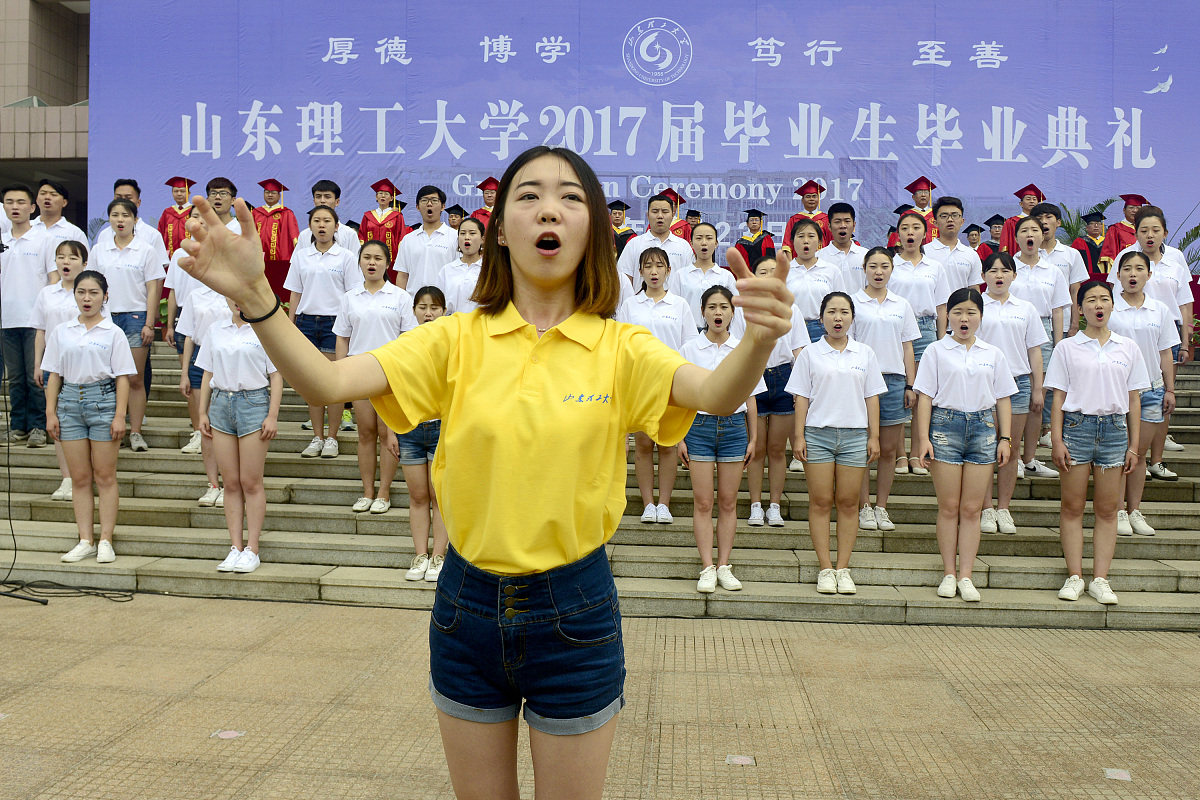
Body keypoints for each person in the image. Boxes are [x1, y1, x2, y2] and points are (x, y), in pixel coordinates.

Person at [176, 143, 794, 799]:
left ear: (593, 232)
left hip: (574, 610)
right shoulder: (456, 339)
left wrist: (758, 339)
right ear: (500, 228)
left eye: (570, 197)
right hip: (465, 607)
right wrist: (257, 298)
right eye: (528, 195)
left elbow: (717, 395)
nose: (548, 208)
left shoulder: (622, 348)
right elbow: (328, 381)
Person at [1048, 280, 1150, 606]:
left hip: (1114, 433)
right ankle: (1075, 576)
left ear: (1111, 305)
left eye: (1104, 299)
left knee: (1108, 510)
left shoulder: (1127, 347)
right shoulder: (1067, 348)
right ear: (1080, 309)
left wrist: (1134, 446)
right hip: (1077, 429)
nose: (1098, 305)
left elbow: (1134, 400)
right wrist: (1057, 440)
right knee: (1072, 506)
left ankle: (1100, 579)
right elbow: (1058, 398)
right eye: (1090, 300)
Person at [913, 287, 1016, 602]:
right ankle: (948, 573)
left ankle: (966, 575)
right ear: (948, 316)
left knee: (972, 509)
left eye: (971, 312)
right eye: (958, 312)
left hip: (983, 430)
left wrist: (1005, 437)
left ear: (981, 317)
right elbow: (925, 398)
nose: (964, 318)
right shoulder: (936, 351)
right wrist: (923, 439)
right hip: (945, 428)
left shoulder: (992, 353)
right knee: (949, 507)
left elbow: (1003, 399)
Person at [787, 291, 884, 594]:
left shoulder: (864, 353)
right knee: (820, 501)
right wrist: (799, 435)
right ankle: (825, 568)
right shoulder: (810, 354)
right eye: (831, 312)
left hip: (855, 436)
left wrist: (874, 436)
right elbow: (801, 397)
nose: (837, 318)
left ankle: (843, 567)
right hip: (818, 434)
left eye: (844, 312)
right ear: (821, 318)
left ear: (853, 318)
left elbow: (872, 397)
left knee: (847, 502)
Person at [43, 269, 135, 564]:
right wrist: (50, 412)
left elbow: (123, 377)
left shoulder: (113, 332)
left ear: (105, 297)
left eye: (94, 293)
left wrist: (120, 415)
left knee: (105, 475)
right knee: (79, 478)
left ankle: (106, 539)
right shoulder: (62, 331)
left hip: (103, 402)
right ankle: (85, 539)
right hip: (69, 403)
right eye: (82, 292)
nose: (87, 298)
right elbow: (53, 374)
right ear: (75, 295)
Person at [679, 286, 763, 592]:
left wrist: (753, 438)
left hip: (734, 430)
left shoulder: (744, 349)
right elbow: (679, 398)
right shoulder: (689, 349)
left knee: (728, 502)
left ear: (732, 312)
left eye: (724, 307)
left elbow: (751, 397)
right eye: (712, 307)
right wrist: (679, 438)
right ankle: (706, 567)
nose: (718, 313)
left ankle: (724, 565)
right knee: (703, 502)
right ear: (702, 311)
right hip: (698, 428)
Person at [198, 297, 283, 575]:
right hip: (221, 403)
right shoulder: (216, 329)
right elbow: (207, 371)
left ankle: (252, 548)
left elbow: (276, 375)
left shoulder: (263, 330)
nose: (237, 302)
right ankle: (235, 547)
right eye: (231, 296)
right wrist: (202, 412)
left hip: (254, 403)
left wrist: (272, 415)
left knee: (250, 481)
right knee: (230, 482)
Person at [334, 241, 418, 515]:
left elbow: (409, 339)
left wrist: (403, 374)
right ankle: (367, 492)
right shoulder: (350, 297)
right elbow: (343, 338)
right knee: (365, 433)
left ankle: (384, 492)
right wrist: (340, 372)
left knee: (387, 434)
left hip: (390, 373)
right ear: (359, 262)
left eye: (377, 258)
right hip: (359, 370)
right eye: (367, 257)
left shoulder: (400, 297)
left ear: (387, 263)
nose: (372, 262)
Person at [618, 247, 699, 523]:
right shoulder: (630, 306)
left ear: (668, 271)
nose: (654, 271)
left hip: (671, 383)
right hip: (640, 383)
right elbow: (623, 347)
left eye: (659, 266)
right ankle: (648, 504)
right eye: (648, 266)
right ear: (639, 271)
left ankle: (664, 503)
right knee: (642, 445)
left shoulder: (680, 305)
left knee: (667, 446)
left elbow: (689, 346)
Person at [1111, 206, 1194, 456]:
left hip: (1166, 331)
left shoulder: (1176, 258)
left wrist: (1186, 341)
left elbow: (1185, 302)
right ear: (1135, 233)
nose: (1150, 235)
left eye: (1155, 230)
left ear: (1165, 233)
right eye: (1144, 230)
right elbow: (1112, 295)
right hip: (1128, 328)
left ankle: (1157, 457)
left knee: (1162, 394)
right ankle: (1129, 453)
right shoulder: (1126, 256)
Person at [1107, 251, 1179, 537]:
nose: (1133, 274)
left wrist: (1169, 388)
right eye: (1127, 269)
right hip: (1115, 390)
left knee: (1138, 454)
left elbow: (1165, 353)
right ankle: (1117, 511)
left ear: (1149, 275)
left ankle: (1134, 510)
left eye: (1139, 269)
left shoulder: (1159, 310)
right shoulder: (1109, 307)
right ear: (1118, 274)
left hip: (1150, 390)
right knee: (1117, 454)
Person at [976, 253, 1048, 534]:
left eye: (1005, 271)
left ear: (1014, 276)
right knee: (984, 447)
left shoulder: (1027, 308)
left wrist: (1038, 387)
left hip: (1017, 384)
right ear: (983, 276)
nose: (998, 275)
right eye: (992, 270)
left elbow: (1035, 352)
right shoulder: (976, 305)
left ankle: (1004, 508)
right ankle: (985, 508)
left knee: (1011, 447)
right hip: (982, 382)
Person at [285, 205, 362, 458]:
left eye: (327, 221)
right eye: (316, 220)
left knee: (333, 382)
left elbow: (353, 295)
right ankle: (317, 436)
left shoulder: (347, 257)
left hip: (335, 324)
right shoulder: (301, 256)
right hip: (306, 323)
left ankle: (332, 437)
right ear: (310, 227)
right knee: (312, 383)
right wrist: (290, 323)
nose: (321, 225)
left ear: (336, 226)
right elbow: (295, 292)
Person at [851, 247, 919, 532]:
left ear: (892, 270)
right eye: (873, 266)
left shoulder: (901, 304)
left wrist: (910, 384)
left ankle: (882, 506)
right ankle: (864, 506)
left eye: (885, 266)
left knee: (889, 449)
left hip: (892, 381)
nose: (879, 272)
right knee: (863, 446)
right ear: (864, 269)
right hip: (860, 380)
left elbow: (908, 346)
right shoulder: (852, 302)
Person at [91, 198, 164, 453]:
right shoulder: (99, 249)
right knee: (107, 376)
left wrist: (149, 323)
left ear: (135, 219)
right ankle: (111, 427)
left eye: (125, 215)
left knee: (134, 378)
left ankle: (135, 432)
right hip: (105, 318)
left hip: (135, 318)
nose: (119, 220)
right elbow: (91, 287)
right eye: (114, 215)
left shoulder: (145, 250)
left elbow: (153, 288)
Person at [746, 256, 808, 527]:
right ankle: (755, 505)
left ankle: (774, 505)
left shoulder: (792, 309)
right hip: (754, 377)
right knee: (757, 447)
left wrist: (800, 387)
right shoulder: (745, 309)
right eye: (763, 272)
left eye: (774, 271)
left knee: (776, 449)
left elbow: (800, 352)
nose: (769, 276)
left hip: (784, 377)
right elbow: (740, 348)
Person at [889, 211, 951, 475]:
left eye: (916, 228)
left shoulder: (935, 267)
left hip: (925, 330)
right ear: (898, 234)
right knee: (899, 392)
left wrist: (940, 341)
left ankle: (916, 454)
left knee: (921, 393)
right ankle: (900, 455)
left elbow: (941, 306)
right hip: (894, 329)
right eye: (905, 228)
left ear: (925, 233)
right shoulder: (889, 265)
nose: (910, 233)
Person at [1008, 215, 1070, 475]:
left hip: (1042, 332)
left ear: (1042, 235)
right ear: (1017, 237)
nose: (1030, 234)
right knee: (1009, 395)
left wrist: (1058, 344)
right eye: (1024, 230)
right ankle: (1012, 458)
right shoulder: (1007, 266)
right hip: (1010, 330)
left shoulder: (1052, 271)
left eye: (1034, 230)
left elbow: (1057, 311)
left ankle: (1030, 457)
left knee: (1038, 398)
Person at [177, 234, 234, 509]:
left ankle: (231, 484)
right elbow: (188, 335)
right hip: (202, 360)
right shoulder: (195, 295)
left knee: (226, 425)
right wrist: (185, 372)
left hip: (230, 359)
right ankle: (213, 484)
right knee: (207, 427)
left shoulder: (234, 292)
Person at [399, 285, 451, 582]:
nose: (428, 312)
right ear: (414, 310)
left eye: (434, 307)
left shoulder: (451, 344)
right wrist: (393, 431)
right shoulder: (405, 343)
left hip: (441, 427)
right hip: (410, 428)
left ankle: (439, 555)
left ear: (444, 311)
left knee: (439, 495)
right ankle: (420, 554)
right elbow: (394, 388)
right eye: (422, 307)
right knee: (418, 496)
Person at [32, 240, 89, 500]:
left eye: (72, 257)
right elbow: (41, 330)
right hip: (54, 367)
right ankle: (66, 478)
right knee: (57, 422)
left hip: (83, 368)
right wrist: (38, 363)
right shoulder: (47, 293)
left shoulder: (90, 291)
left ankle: (83, 476)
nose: (66, 262)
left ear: (84, 263)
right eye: (61, 257)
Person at [2, 183, 54, 447]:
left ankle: (38, 425)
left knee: (36, 378)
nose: (15, 207)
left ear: (32, 207)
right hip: (6, 320)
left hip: (36, 321)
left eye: (20, 202)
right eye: (9, 202)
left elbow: (54, 278)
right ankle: (18, 426)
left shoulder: (42, 238)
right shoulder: (2, 240)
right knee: (15, 378)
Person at [1032, 202, 1089, 336]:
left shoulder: (1071, 254)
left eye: (1048, 217)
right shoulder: (1024, 256)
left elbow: (1075, 291)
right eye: (1039, 219)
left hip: (1063, 324)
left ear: (1058, 222)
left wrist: (1075, 324)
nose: (1044, 222)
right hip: (1033, 325)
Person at [786, 218, 845, 343]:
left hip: (822, 328)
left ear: (819, 241)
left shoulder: (831, 270)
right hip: (791, 327)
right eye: (800, 236)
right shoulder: (784, 271)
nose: (806, 241)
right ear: (792, 241)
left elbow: (841, 303)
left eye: (811, 236)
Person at [616, 193, 694, 284]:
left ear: (673, 215)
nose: (660, 216)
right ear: (648, 215)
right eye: (655, 211)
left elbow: (689, 281)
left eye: (665, 212)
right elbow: (624, 280)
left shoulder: (683, 246)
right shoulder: (634, 244)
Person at [395, 185, 458, 292]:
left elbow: (459, 272)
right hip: (414, 303)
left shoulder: (455, 237)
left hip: (444, 301)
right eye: (424, 200)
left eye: (434, 200)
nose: (429, 204)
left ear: (443, 206)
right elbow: (402, 274)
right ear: (417, 207)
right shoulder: (408, 239)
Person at [668, 222, 735, 319]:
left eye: (709, 238)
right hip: (688, 332)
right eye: (699, 238)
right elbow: (672, 307)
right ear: (691, 243)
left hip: (718, 331)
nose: (704, 242)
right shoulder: (681, 275)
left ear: (716, 243)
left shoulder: (726, 276)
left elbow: (735, 309)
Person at [251, 179, 301, 300]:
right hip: (258, 259)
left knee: (278, 291)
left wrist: (298, 251)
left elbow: (294, 234)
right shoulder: (256, 213)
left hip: (280, 260)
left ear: (279, 195)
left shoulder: (287, 213)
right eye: (267, 192)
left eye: (273, 192)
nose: (270, 195)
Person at [926, 196, 983, 291]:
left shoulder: (971, 255)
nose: (950, 220)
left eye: (955, 215)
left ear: (962, 221)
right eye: (944, 216)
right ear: (935, 222)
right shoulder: (924, 252)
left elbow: (974, 289)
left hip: (961, 305)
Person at [30, 179, 87, 269]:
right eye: (43, 193)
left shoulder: (74, 233)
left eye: (53, 194)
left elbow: (85, 266)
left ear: (64, 202)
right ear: (37, 200)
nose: (47, 197)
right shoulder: (27, 228)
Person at [437, 217, 485, 314]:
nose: (467, 237)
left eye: (472, 233)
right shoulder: (447, 270)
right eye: (462, 233)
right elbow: (439, 304)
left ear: (482, 239)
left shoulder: (489, 270)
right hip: (452, 325)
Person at [296, 180, 360, 251]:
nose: (322, 201)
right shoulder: (304, 235)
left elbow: (356, 261)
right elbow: (297, 261)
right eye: (318, 196)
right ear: (314, 201)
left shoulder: (349, 234)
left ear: (337, 202)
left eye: (327, 197)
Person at [816, 202, 867, 290]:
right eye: (837, 222)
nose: (843, 226)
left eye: (847, 221)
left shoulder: (866, 256)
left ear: (854, 225)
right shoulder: (818, 258)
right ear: (829, 226)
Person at [358, 178, 405, 265]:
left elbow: (401, 237)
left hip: (391, 259)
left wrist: (400, 257)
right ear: (376, 197)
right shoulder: (367, 216)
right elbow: (361, 236)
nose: (383, 196)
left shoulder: (397, 217)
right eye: (380, 193)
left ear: (391, 198)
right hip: (370, 258)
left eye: (386, 194)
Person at [1099, 194, 1148, 272]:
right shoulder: (1115, 229)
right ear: (1124, 210)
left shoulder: (1146, 229)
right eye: (1131, 207)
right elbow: (1110, 254)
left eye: (1138, 208)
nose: (1135, 210)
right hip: (1123, 272)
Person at [782, 180, 831, 253]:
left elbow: (831, 241)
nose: (811, 199)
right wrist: (791, 264)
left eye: (814, 196)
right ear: (802, 200)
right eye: (808, 196)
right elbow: (788, 244)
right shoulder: (794, 219)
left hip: (822, 260)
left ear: (818, 199)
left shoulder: (826, 218)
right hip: (799, 260)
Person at [999, 184, 1045, 255]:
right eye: (1028, 199)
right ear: (1021, 203)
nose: (1032, 201)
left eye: (1034, 199)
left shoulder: (1041, 222)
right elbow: (1004, 245)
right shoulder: (1011, 222)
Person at [157, 176, 195, 255]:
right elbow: (160, 234)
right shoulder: (167, 213)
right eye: (176, 191)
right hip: (169, 257)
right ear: (172, 193)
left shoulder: (194, 211)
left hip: (191, 256)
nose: (179, 194)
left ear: (189, 193)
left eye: (182, 191)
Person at [903, 177, 938, 243]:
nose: (923, 195)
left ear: (930, 196)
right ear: (913, 197)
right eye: (919, 192)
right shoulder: (906, 215)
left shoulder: (936, 214)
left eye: (926, 192)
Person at [1072, 211, 1106, 277]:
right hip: (1087, 277)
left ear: (1102, 227)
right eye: (1092, 223)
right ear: (1087, 227)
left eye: (1098, 224)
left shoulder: (1107, 242)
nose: (1096, 226)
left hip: (1105, 277)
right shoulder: (1079, 242)